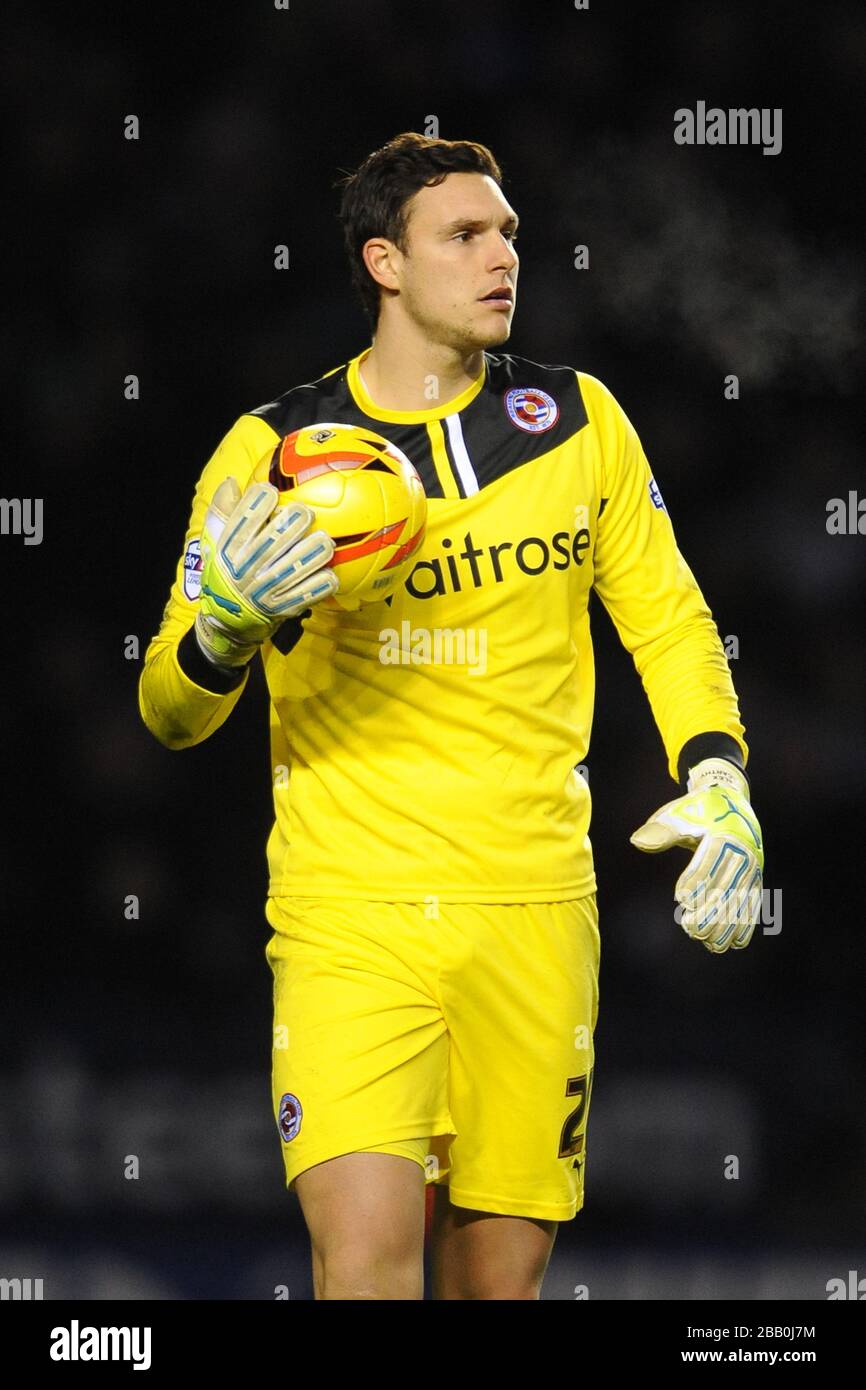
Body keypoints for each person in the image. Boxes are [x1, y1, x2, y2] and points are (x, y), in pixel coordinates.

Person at [138, 131, 763, 1300]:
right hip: (350, 914)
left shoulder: (580, 423)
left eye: (508, 234)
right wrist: (221, 631)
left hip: (534, 910)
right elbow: (167, 707)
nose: (500, 257)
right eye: (463, 236)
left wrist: (718, 775)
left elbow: (671, 623)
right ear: (384, 260)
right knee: (367, 1264)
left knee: (494, 1292)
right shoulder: (271, 455)